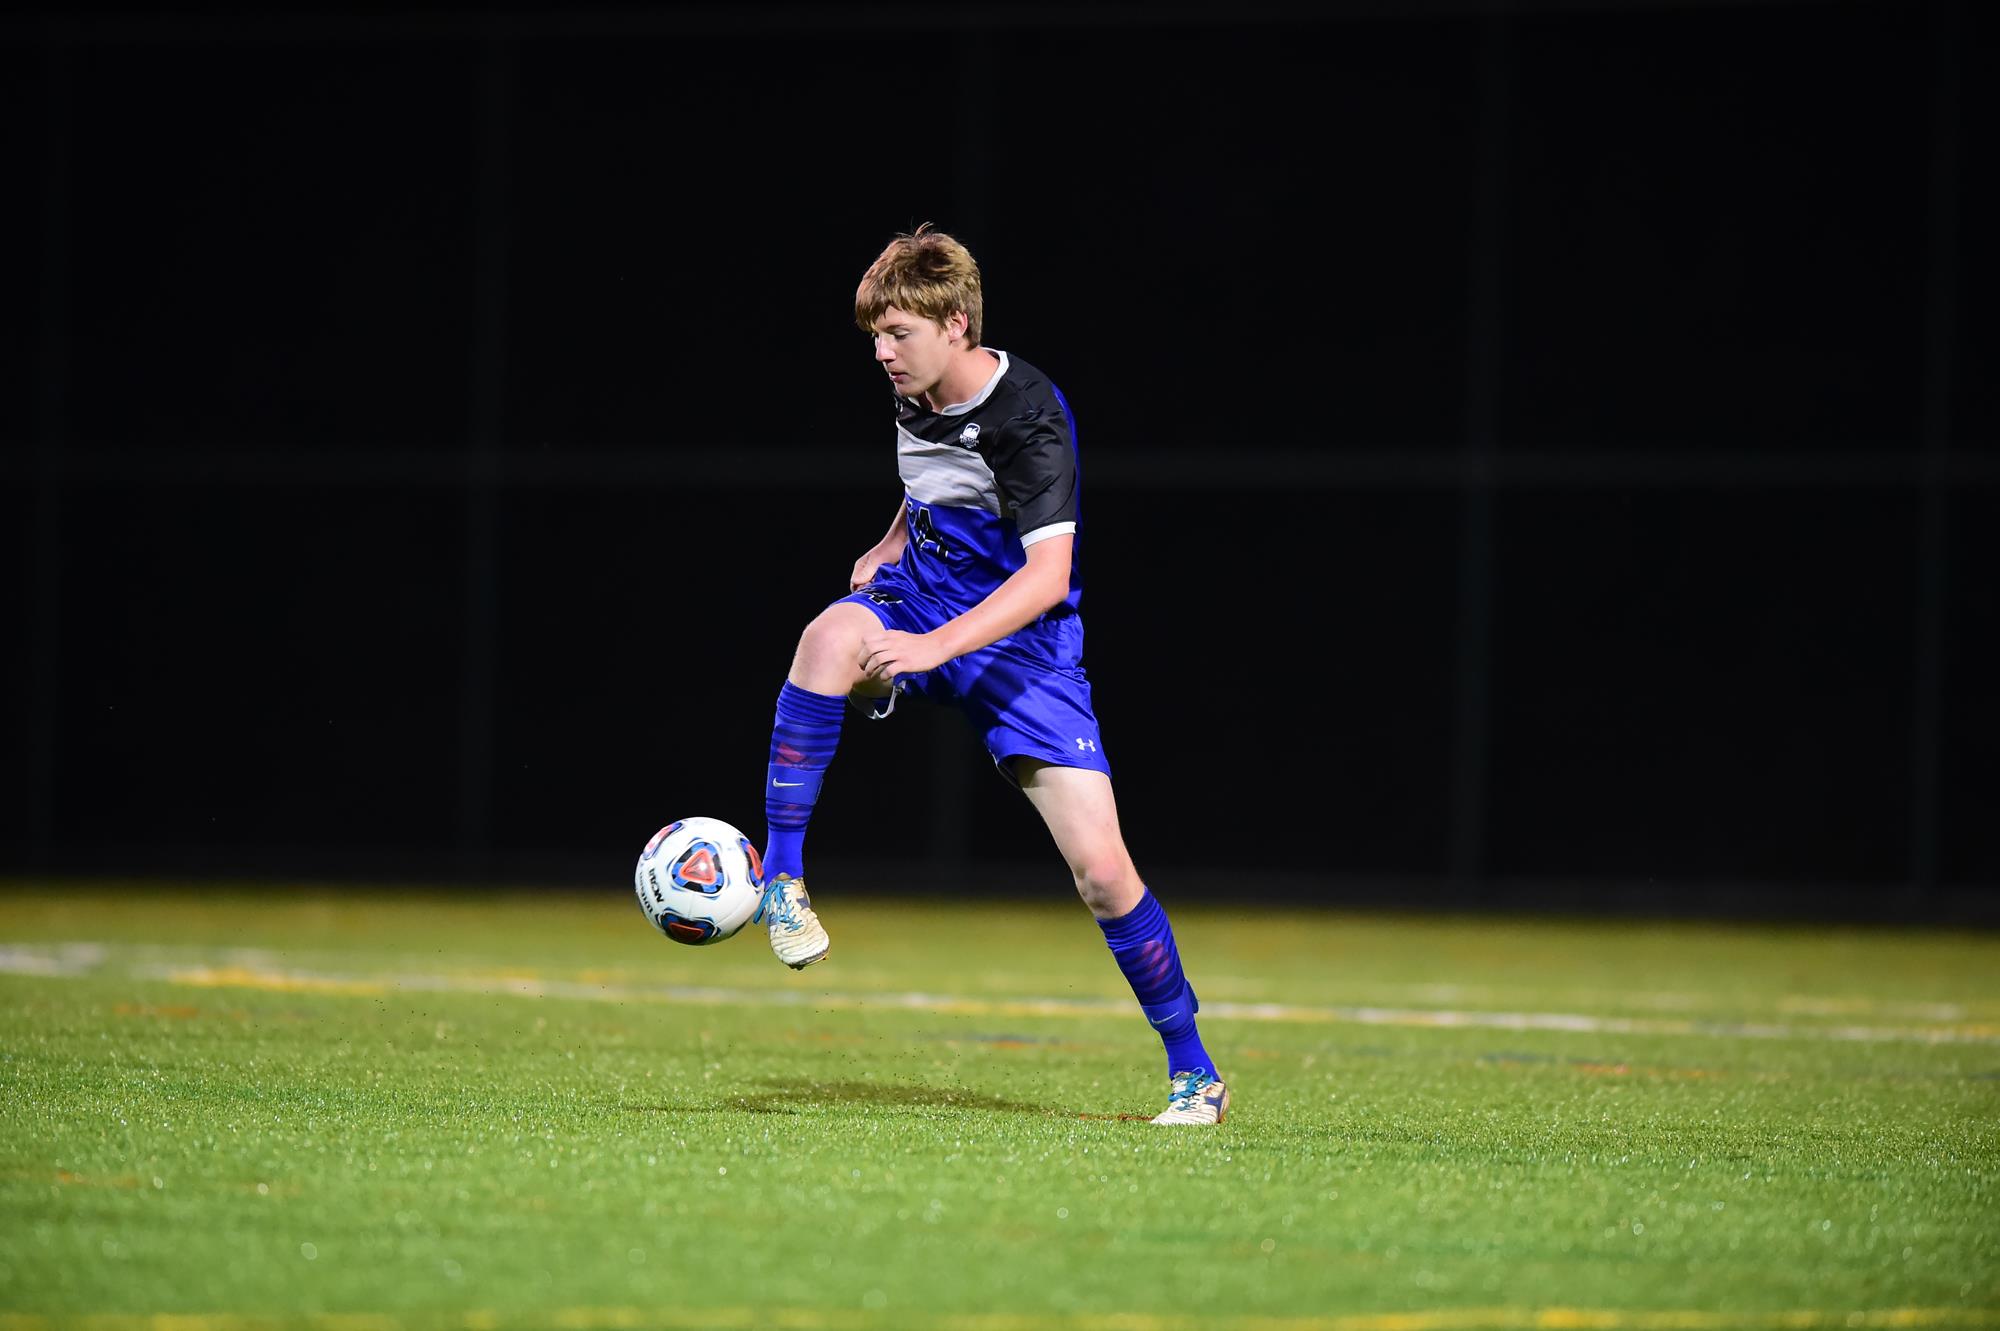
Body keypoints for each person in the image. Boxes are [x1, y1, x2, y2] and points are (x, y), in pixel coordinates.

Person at [753, 224, 1228, 1127]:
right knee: (826, 639)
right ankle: (783, 877)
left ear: (957, 325)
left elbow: (1047, 578)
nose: (883, 353)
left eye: (899, 334)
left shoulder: (1029, 417)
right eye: (876, 336)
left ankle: (1193, 1071)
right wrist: (893, 537)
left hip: (1024, 645)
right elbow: (933, 476)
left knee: (1103, 872)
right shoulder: (912, 387)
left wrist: (936, 649)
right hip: (921, 597)